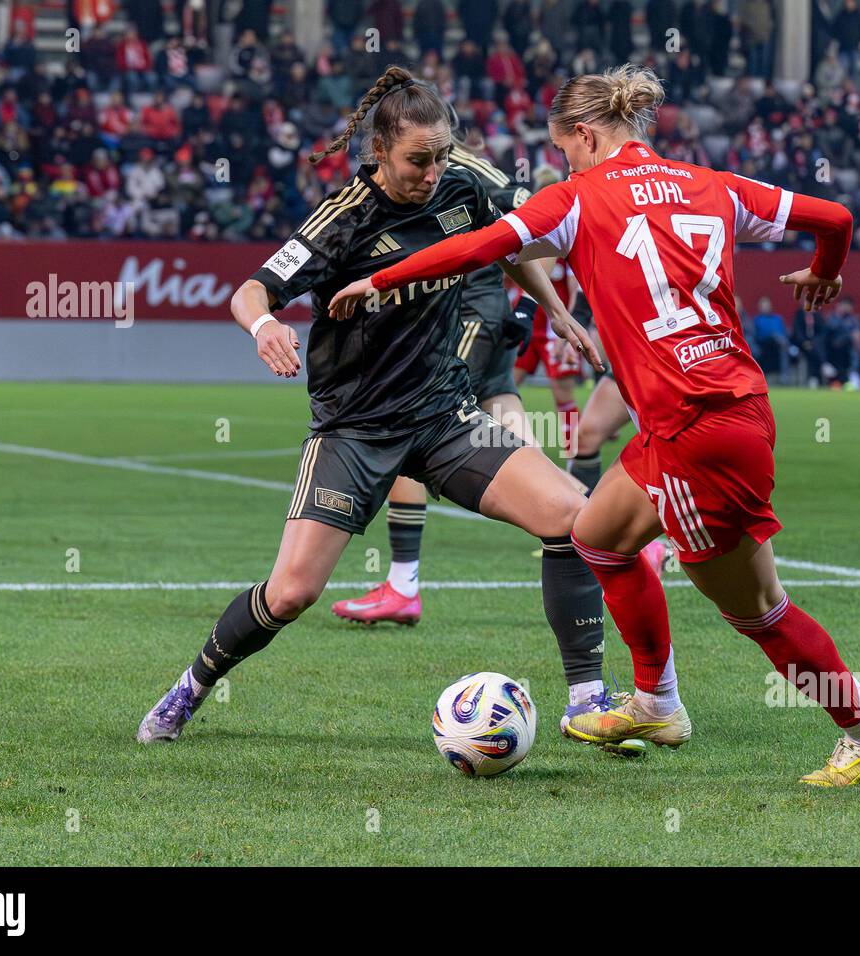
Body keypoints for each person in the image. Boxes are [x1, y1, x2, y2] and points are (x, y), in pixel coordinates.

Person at [329, 67, 860, 787]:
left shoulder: (577, 199)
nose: (561, 164)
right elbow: (837, 219)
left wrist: (377, 279)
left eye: (563, 150)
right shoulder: (716, 185)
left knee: (759, 610)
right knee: (595, 537)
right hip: (721, 412)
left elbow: (481, 247)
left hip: (699, 429)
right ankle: (656, 702)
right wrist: (826, 271)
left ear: (585, 134)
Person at [136, 68, 625, 746]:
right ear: (379, 155)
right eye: (417, 161)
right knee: (290, 595)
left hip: (443, 416)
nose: (432, 172)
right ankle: (190, 688)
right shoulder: (342, 220)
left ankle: (586, 700)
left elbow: (510, 237)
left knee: (573, 516)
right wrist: (265, 327)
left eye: (441, 156)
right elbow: (252, 291)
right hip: (355, 433)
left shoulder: (465, 180)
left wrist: (556, 307)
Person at [328, 115, 542, 626]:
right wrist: (527, 309)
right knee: (511, 427)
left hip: (467, 314)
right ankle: (604, 529)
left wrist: (531, 305)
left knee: (412, 417)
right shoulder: (426, 174)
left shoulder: (458, 167)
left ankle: (402, 584)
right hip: (476, 311)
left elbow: (533, 212)